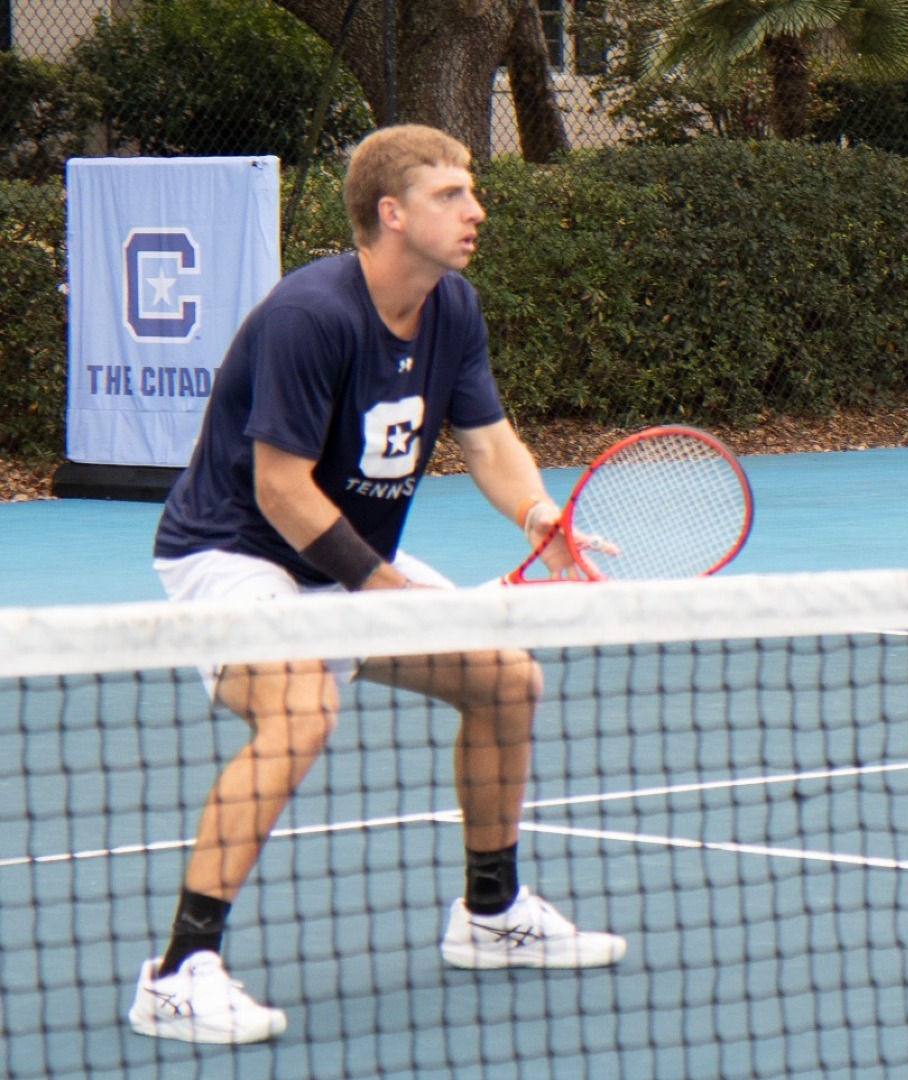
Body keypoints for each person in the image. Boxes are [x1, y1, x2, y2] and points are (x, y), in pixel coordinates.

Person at [129, 124, 624, 1045]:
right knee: (303, 708)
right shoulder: (309, 315)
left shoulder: (454, 307)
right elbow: (278, 488)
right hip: (235, 555)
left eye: (471, 191)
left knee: (507, 679)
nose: (476, 209)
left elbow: (486, 440)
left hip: (346, 559)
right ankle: (178, 970)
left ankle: (490, 914)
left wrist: (535, 515)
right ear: (390, 215)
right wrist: (381, 588)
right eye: (451, 195)